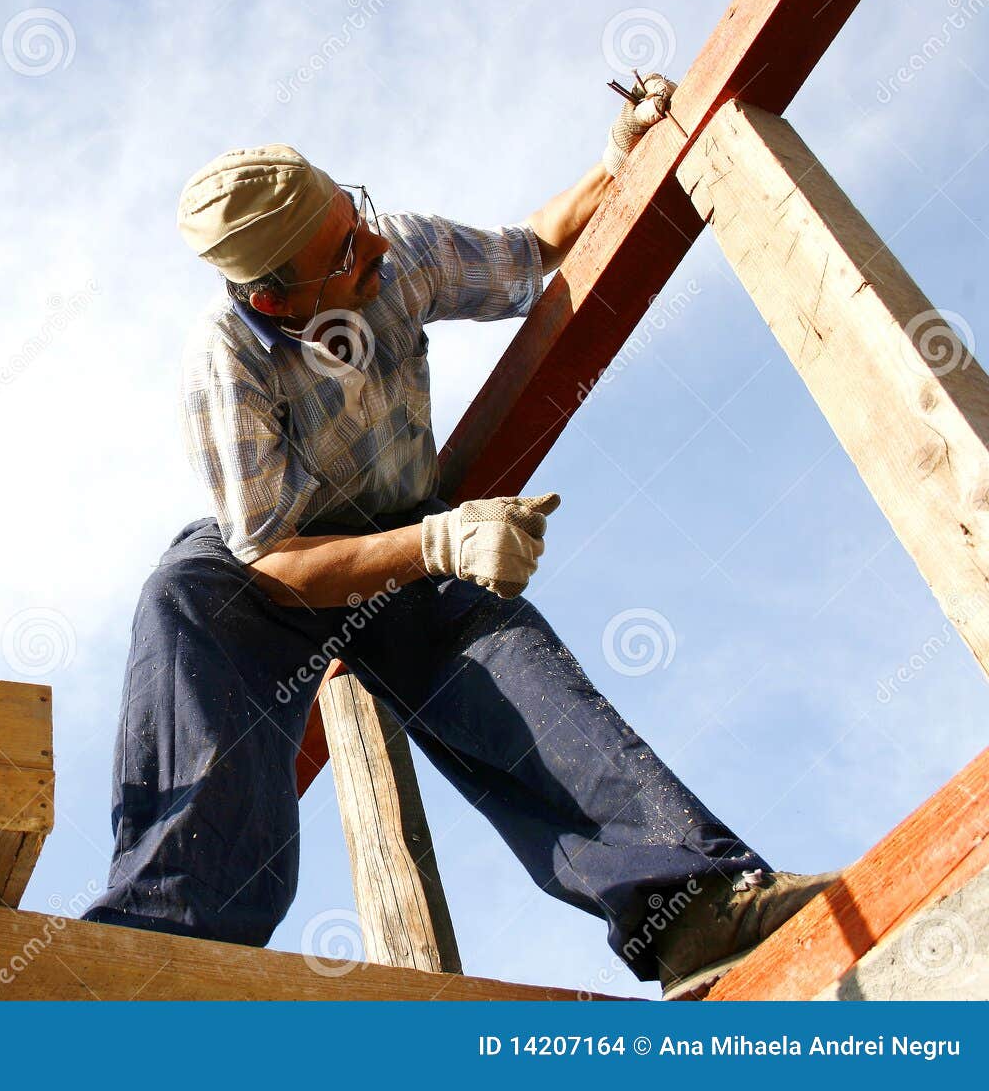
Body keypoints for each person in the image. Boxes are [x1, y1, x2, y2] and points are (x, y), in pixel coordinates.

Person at [80, 73, 837, 998]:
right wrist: (441, 544)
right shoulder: (226, 359)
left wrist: (618, 157)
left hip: (396, 548)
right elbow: (272, 558)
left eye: (353, 219)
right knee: (185, 597)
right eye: (343, 252)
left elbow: (535, 247)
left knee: (498, 653)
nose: (370, 247)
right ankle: (168, 949)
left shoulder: (396, 254)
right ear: (276, 302)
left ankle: (689, 910)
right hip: (277, 570)